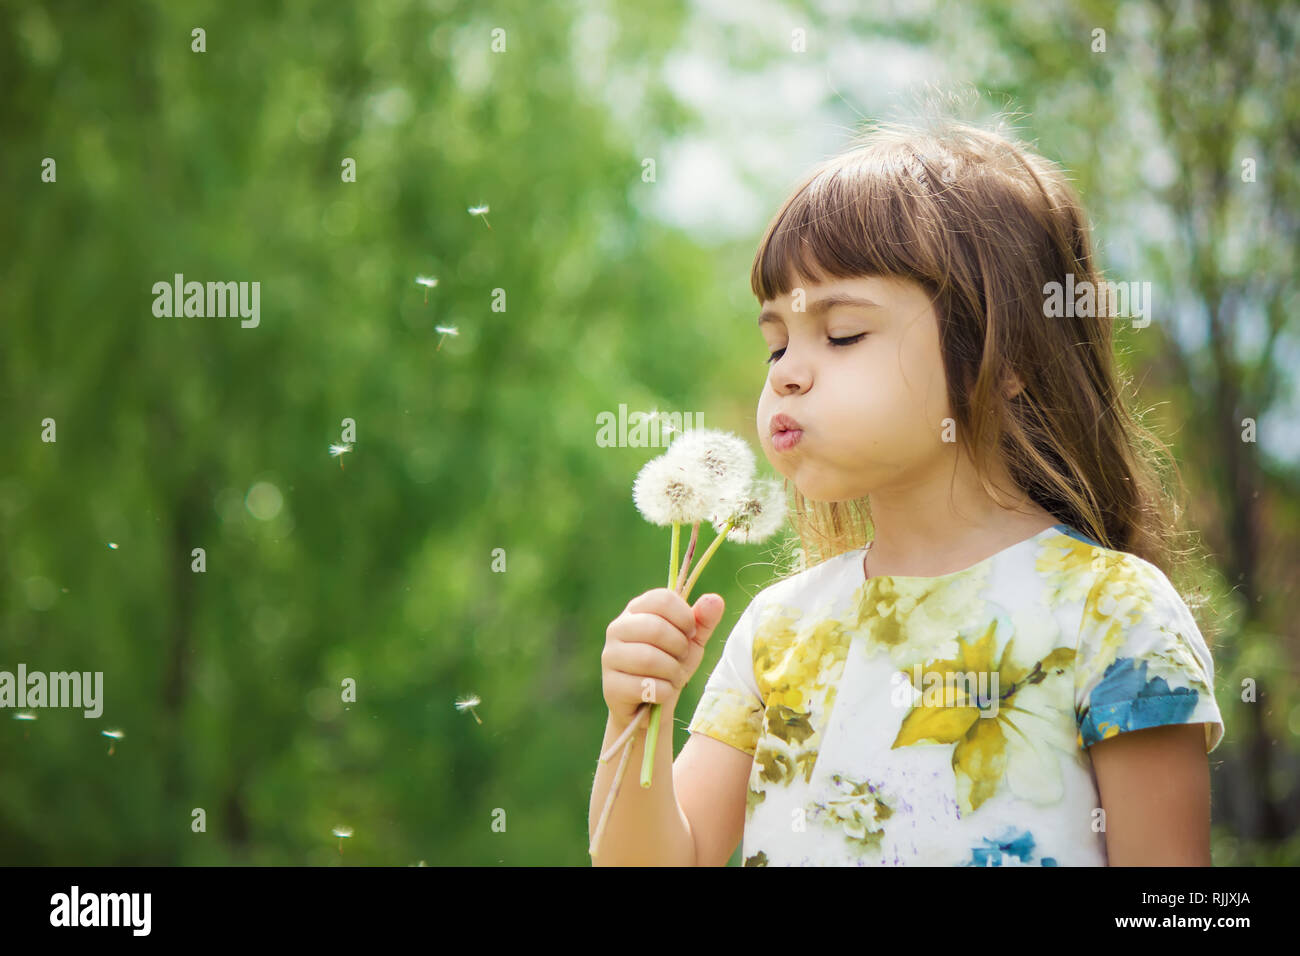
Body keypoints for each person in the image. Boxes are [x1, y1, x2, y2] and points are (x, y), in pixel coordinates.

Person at [591, 117, 1223, 867]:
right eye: (776, 341)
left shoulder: (1111, 612)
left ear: (1005, 354)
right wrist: (638, 712)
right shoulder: (779, 631)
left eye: (844, 333)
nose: (787, 371)